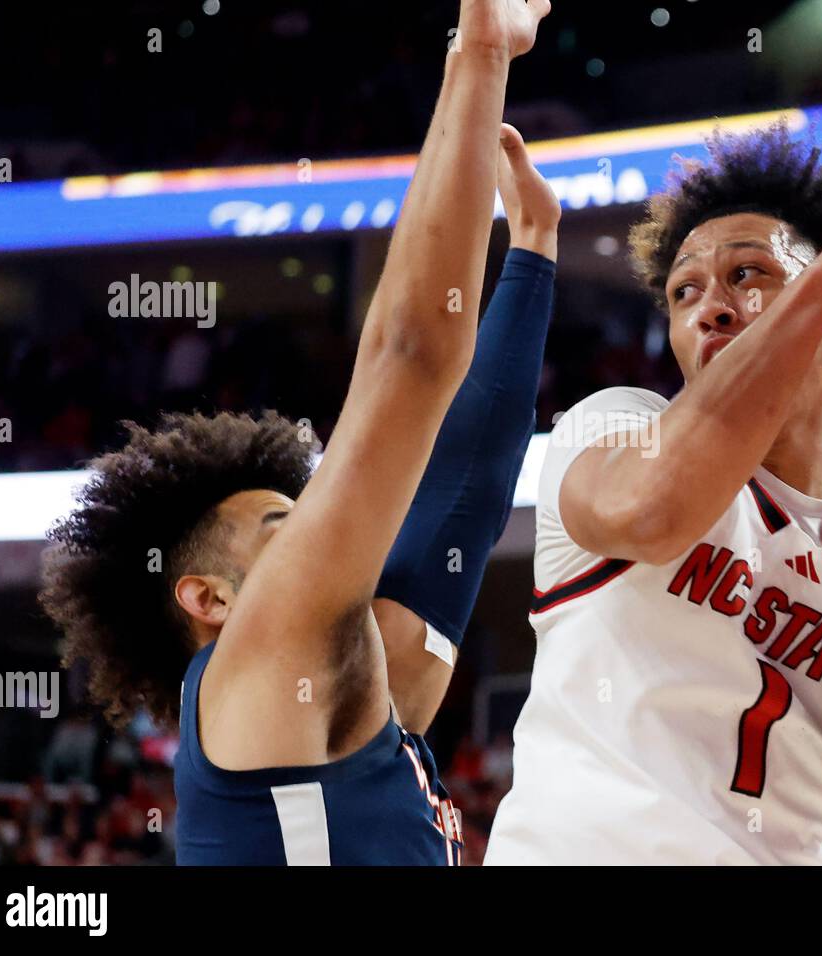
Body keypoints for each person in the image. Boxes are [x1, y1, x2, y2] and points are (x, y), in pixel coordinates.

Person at [39, 0, 555, 866]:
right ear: (209, 598)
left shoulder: (355, 710)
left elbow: (466, 489)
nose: (329, 531)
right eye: (286, 525)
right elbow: (409, 354)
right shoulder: (255, 668)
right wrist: (479, 55)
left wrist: (534, 252)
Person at [486, 119, 822, 864]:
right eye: (685, 291)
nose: (711, 304)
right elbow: (650, 517)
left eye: (749, 274)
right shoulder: (616, 427)